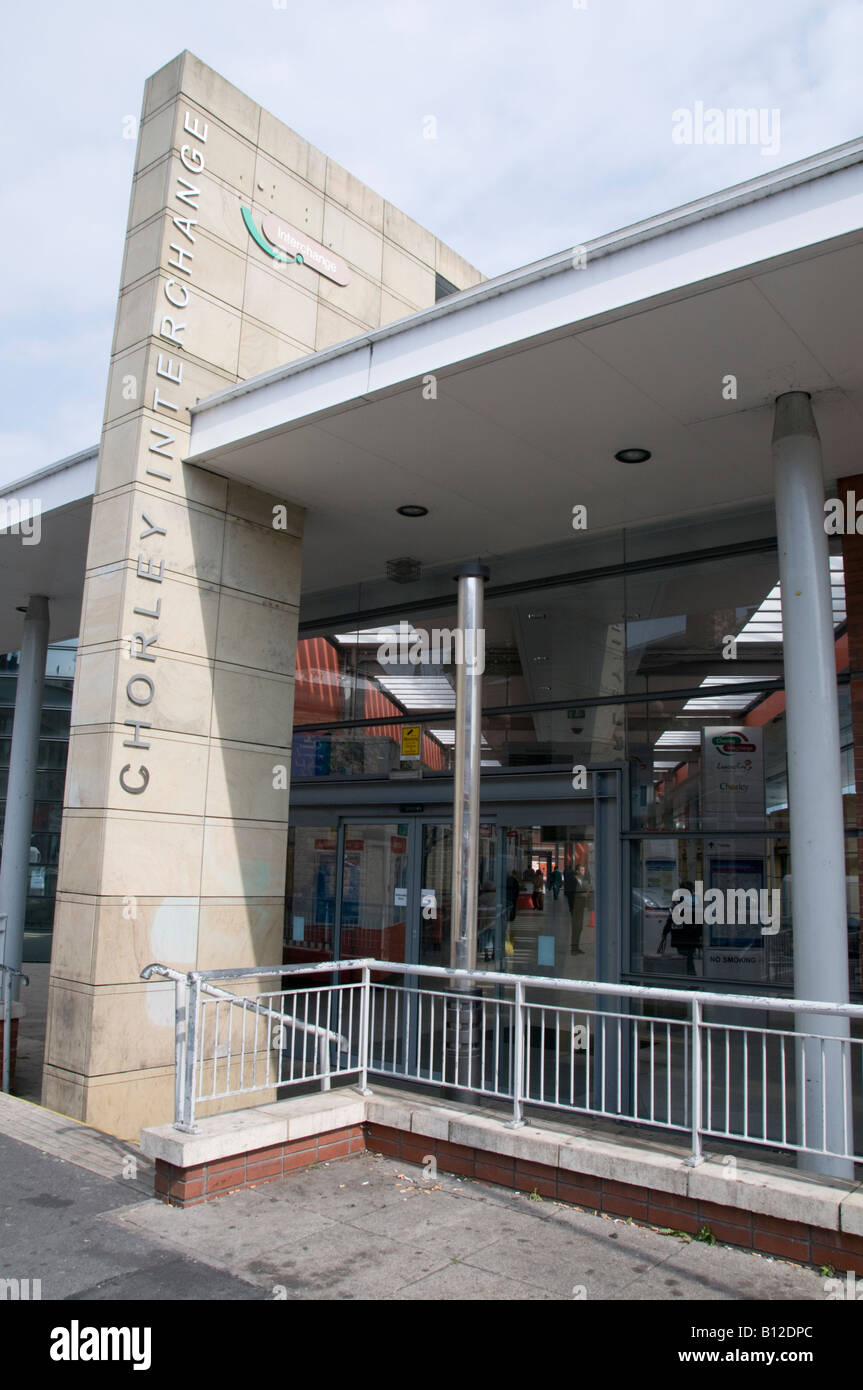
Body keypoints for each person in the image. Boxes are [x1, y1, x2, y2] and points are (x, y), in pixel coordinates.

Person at [660, 879, 702, 977]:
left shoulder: (677, 901)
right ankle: (691, 978)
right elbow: (699, 920)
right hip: (692, 935)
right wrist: (700, 934)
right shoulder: (695, 901)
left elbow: (671, 918)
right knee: (688, 958)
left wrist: (665, 932)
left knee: (685, 958)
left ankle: (689, 978)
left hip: (680, 934)